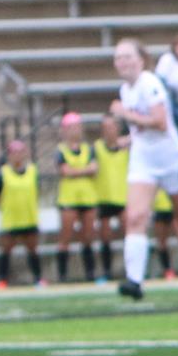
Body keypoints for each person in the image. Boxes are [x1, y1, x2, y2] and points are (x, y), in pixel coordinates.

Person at [111, 37, 178, 301]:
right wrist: (127, 139)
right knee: (136, 217)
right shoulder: (125, 90)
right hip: (145, 161)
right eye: (118, 57)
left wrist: (125, 115)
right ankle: (134, 281)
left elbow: (160, 123)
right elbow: (142, 129)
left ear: (141, 60)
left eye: (128, 56)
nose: (123, 62)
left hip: (171, 159)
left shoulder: (149, 83)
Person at [52, 113, 101, 284]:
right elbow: (65, 171)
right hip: (69, 198)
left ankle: (90, 273)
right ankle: (62, 275)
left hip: (87, 197)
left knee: (88, 237)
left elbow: (94, 169)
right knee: (65, 236)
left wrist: (75, 172)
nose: (75, 131)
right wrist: (84, 170)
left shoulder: (88, 149)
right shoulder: (61, 150)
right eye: (71, 127)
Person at [0, 139, 44, 289]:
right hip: (10, 219)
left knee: (33, 249)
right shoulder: (3, 173)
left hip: (29, 217)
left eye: (20, 152)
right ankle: (2, 279)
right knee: (6, 250)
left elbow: (37, 191)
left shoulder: (33, 171)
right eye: (14, 152)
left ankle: (38, 278)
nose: (17, 156)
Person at [94, 113, 130, 279]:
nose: (109, 130)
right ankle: (107, 272)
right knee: (105, 238)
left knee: (130, 236)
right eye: (106, 127)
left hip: (123, 197)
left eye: (112, 126)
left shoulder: (127, 147)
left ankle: (132, 270)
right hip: (104, 198)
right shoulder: (97, 148)